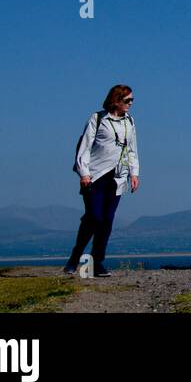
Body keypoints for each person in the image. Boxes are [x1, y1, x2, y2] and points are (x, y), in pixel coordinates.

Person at [63, 84, 140, 276]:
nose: (130, 104)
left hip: (118, 176)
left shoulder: (129, 121)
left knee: (107, 221)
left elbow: (131, 148)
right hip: (95, 175)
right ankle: (75, 256)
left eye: (132, 100)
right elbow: (85, 147)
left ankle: (97, 262)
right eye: (127, 100)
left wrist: (134, 173)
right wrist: (84, 173)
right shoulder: (97, 119)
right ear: (115, 100)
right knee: (94, 217)